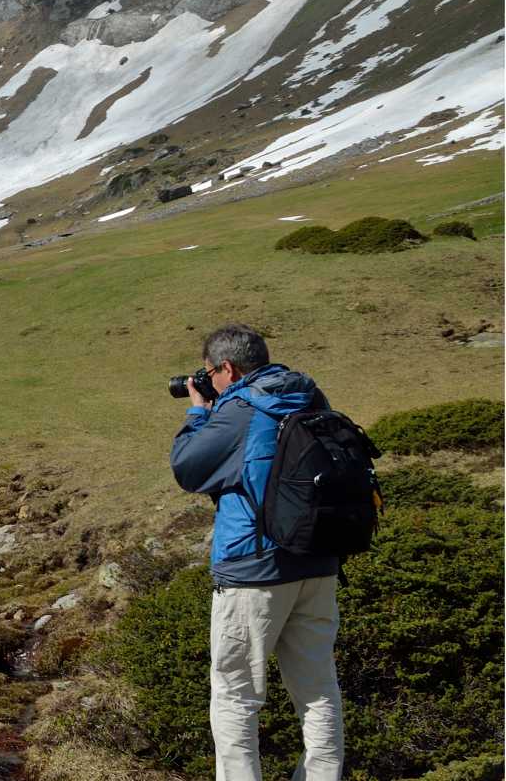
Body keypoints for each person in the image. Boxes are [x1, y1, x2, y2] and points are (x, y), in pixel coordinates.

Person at [170, 323, 344, 781]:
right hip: (319, 561)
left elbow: (187, 469)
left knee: (235, 696)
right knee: (318, 688)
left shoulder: (242, 409)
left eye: (209, 373)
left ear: (226, 368)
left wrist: (198, 414)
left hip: (254, 569)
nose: (208, 381)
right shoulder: (309, 395)